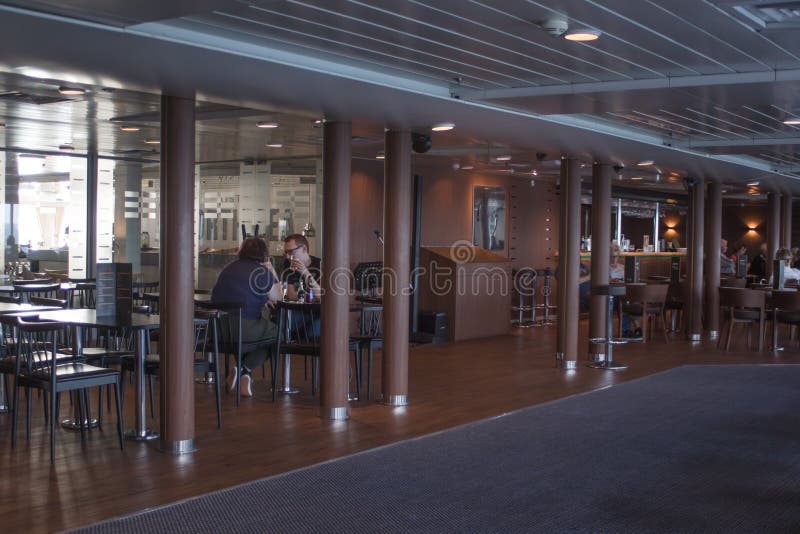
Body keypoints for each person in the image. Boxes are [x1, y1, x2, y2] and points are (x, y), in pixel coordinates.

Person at [211, 236, 281, 397]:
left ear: (241, 251)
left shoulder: (227, 269)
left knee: (253, 336)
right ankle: (243, 369)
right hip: (244, 327)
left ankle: (243, 375)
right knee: (279, 335)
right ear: (264, 254)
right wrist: (272, 272)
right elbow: (278, 299)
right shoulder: (262, 272)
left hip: (218, 329)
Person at [282, 234, 321, 299]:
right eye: (286, 252)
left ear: (304, 249)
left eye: (291, 251)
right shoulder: (288, 263)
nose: (287, 256)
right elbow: (290, 295)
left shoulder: (320, 264)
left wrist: (305, 272)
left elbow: (321, 296)